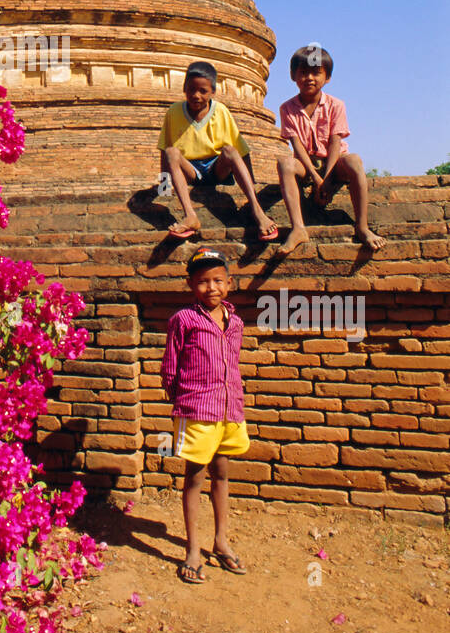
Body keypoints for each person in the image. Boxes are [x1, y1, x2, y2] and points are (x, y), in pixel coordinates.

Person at [162, 248, 249, 584]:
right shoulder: (183, 320)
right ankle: (193, 549)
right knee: (195, 478)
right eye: (202, 282)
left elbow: (233, 363)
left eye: (217, 280)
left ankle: (221, 541)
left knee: (223, 473)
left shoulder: (235, 322)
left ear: (228, 283)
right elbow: (170, 369)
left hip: (229, 410)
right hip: (197, 410)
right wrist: (185, 400)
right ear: (190, 285)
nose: (211, 287)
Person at [276, 44, 385, 254]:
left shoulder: (336, 105)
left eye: (316, 73)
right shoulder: (286, 108)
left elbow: (335, 142)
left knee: (354, 160)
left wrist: (327, 178)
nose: (309, 78)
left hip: (334, 162)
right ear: (293, 76)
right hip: (306, 162)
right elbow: (297, 147)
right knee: (285, 163)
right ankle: (298, 228)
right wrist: (317, 180)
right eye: (303, 72)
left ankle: (362, 227)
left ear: (327, 77)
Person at [159, 60, 278, 241]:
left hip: (217, 167)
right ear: (184, 89)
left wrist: (252, 183)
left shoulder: (221, 111)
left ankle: (257, 210)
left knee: (230, 150)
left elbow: (242, 151)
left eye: (203, 91)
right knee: (171, 152)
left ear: (213, 92)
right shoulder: (173, 112)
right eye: (191, 89)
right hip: (191, 170)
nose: (196, 95)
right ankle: (190, 215)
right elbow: (164, 152)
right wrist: (164, 187)